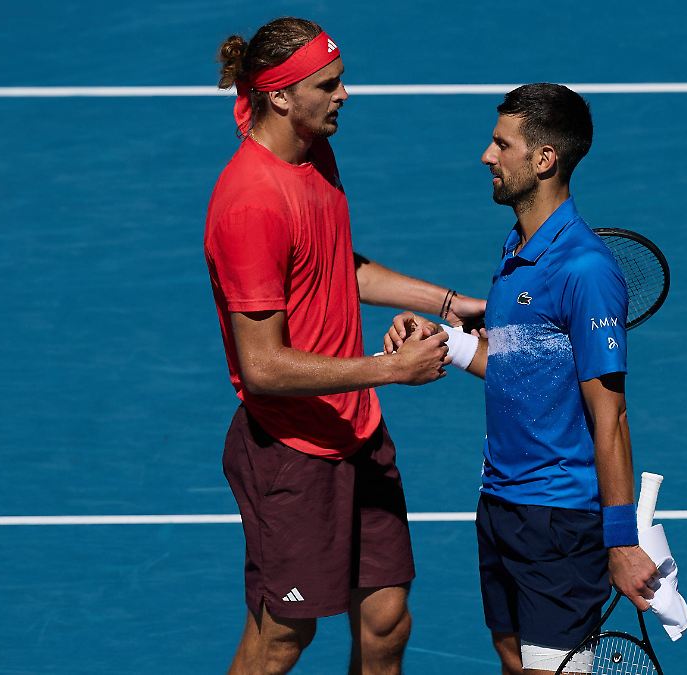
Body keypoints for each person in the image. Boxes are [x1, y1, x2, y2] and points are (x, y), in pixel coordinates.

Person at [205, 17, 485, 675]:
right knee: (282, 638)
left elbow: (335, 266)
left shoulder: (312, 154)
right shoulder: (250, 203)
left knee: (386, 623)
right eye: (328, 85)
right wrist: (390, 369)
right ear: (280, 96)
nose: (344, 95)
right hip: (294, 454)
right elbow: (262, 365)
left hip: (357, 433)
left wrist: (448, 303)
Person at [383, 83, 659, 674]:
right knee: (512, 660)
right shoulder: (518, 248)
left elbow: (611, 416)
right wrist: (442, 340)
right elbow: (520, 364)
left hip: (560, 517)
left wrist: (620, 540)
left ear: (544, 159)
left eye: (502, 144)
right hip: (501, 502)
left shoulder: (585, 270)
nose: (487, 155)